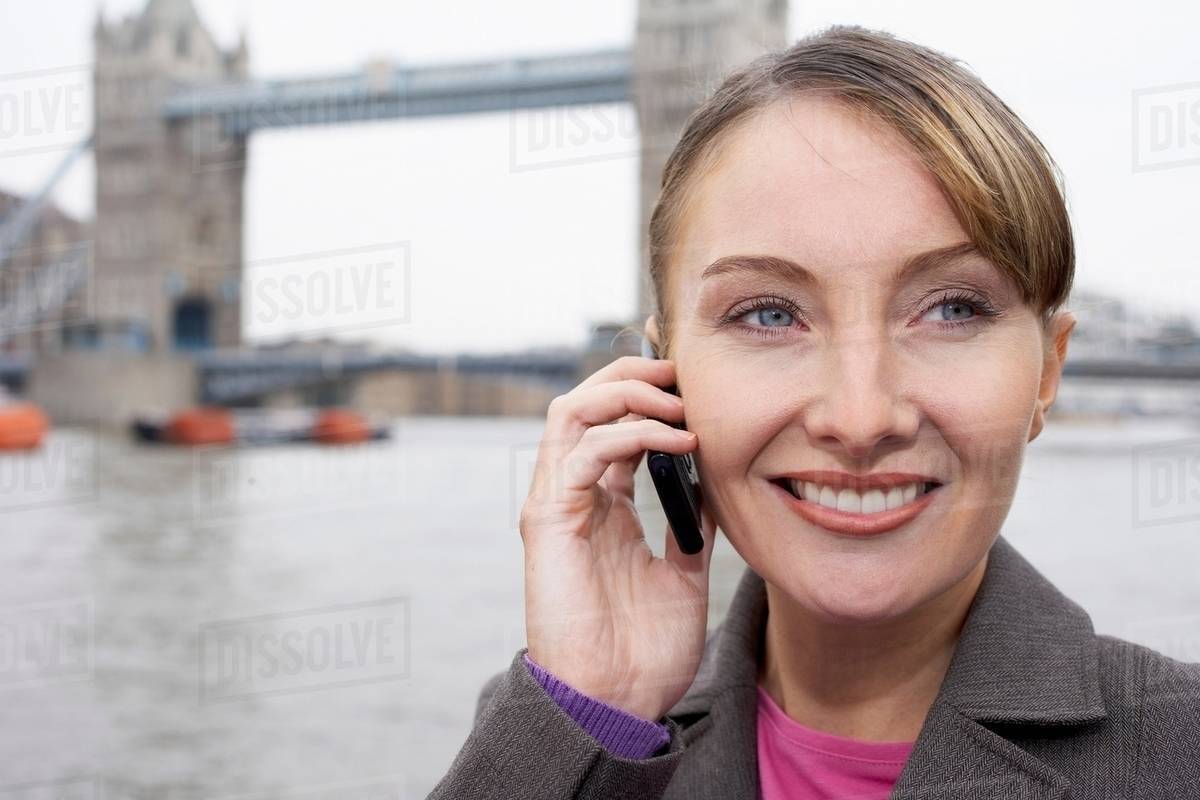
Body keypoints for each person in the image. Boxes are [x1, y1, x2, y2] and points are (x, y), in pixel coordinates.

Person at [428, 24, 1200, 800]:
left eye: (953, 308)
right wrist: (598, 716)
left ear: (1047, 373)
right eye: (768, 315)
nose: (860, 419)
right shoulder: (559, 734)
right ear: (664, 382)